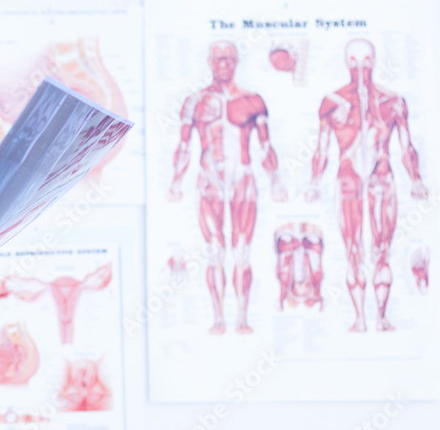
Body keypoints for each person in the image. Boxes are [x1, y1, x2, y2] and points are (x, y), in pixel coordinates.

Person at [307, 38, 429, 332]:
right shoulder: (331, 102)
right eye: (353, 60)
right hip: (348, 179)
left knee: (382, 247)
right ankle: (360, 318)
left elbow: (406, 145)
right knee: (353, 249)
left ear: (373, 61)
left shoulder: (392, 101)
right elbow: (321, 148)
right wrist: (313, 182)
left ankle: (382, 317)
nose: (360, 67)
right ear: (345, 62)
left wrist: (416, 180)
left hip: (381, 177)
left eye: (365, 60)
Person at [169, 40, 287, 335]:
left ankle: (243, 317)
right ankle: (219, 317)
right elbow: (184, 146)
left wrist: (275, 181)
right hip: (209, 181)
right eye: (219, 58)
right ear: (210, 61)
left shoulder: (253, 101)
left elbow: (265, 145)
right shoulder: (194, 102)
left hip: (243, 180)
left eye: (229, 58)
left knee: (242, 251)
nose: (224, 63)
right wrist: (175, 182)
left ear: (237, 62)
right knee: (214, 252)